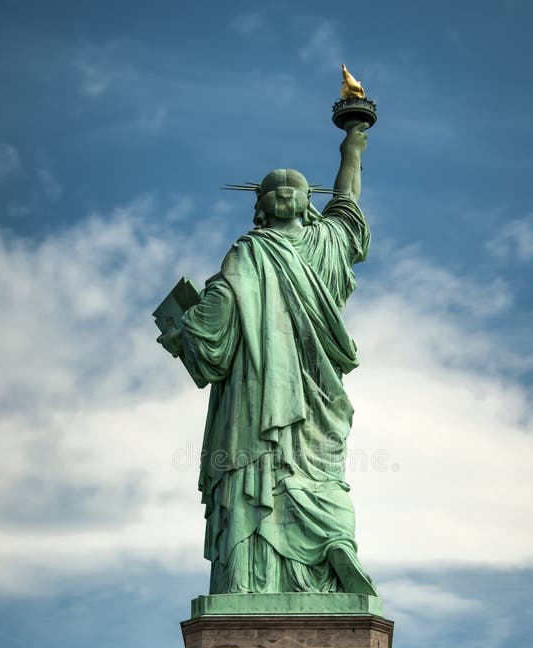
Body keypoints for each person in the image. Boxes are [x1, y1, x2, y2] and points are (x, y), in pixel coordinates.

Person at [158, 124, 376, 596]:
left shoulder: (248, 251)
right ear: (306, 203)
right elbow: (347, 199)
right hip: (316, 392)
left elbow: (215, 322)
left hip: (255, 394)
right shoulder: (328, 244)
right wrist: (353, 144)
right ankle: (332, 542)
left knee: (255, 470)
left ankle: (246, 579)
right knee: (317, 474)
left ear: (260, 207)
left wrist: (183, 329)